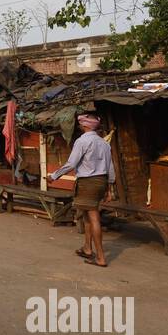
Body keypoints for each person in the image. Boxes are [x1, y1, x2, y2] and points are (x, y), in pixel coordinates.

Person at [49, 113, 117, 267]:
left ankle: (100, 257)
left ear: (85, 125)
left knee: (93, 217)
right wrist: (110, 187)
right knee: (87, 214)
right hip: (102, 181)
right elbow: (110, 167)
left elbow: (71, 164)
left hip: (88, 182)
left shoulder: (82, 141)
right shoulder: (104, 143)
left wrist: (54, 176)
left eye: (80, 123)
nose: (79, 126)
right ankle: (87, 248)